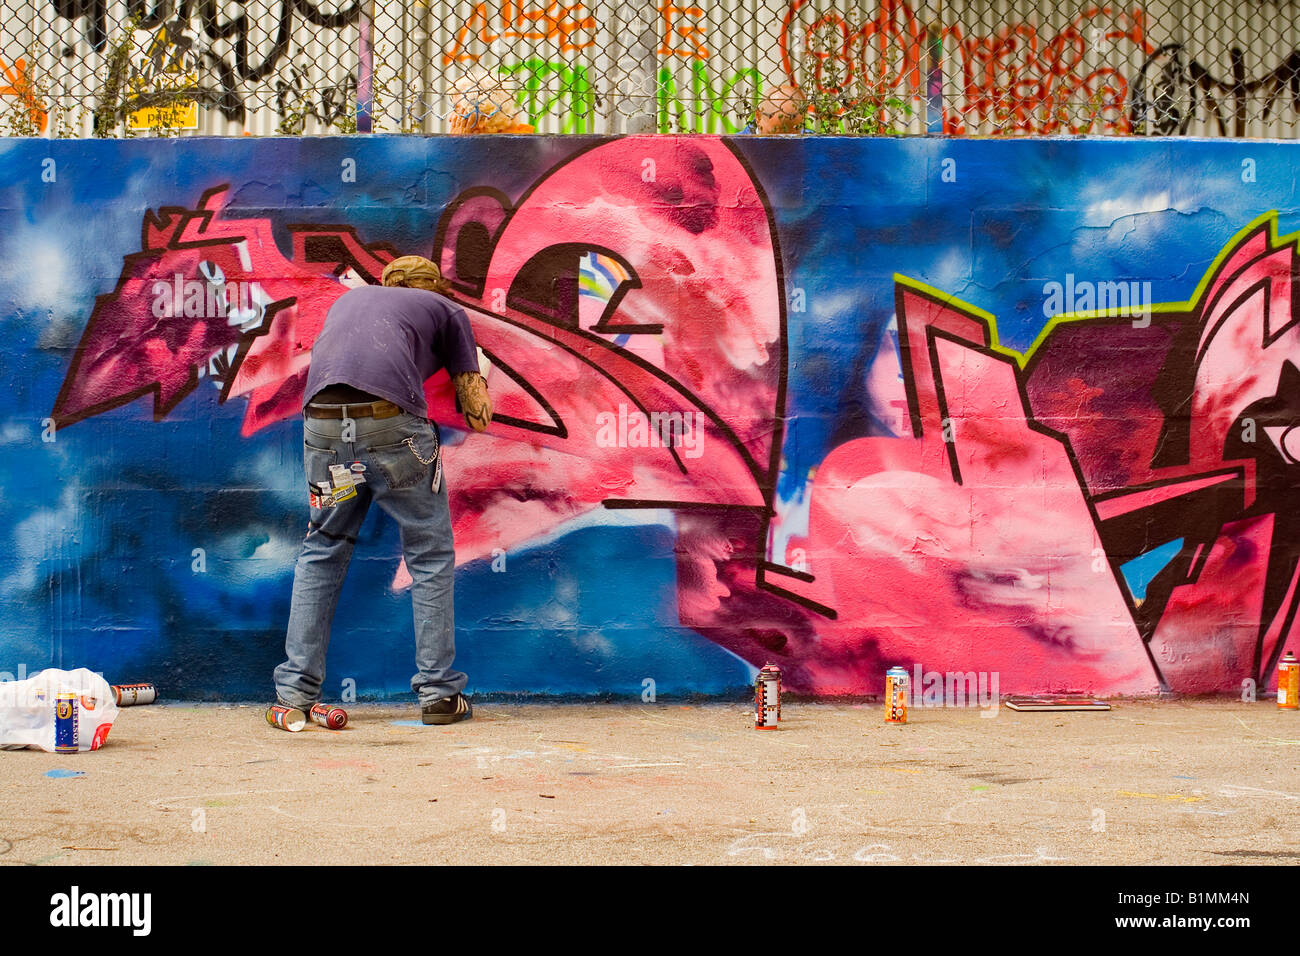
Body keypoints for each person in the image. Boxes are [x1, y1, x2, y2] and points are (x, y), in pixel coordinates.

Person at [271, 255, 492, 726]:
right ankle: (437, 694)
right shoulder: (443, 308)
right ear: (435, 287)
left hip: (324, 431)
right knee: (429, 553)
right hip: (394, 432)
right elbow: (476, 405)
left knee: (323, 548)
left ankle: (294, 694)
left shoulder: (347, 303)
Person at [740, 83, 810, 134]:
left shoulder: (814, 143)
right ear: (758, 117)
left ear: (802, 119)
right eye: (774, 137)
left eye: (792, 136)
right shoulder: (735, 150)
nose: (783, 146)